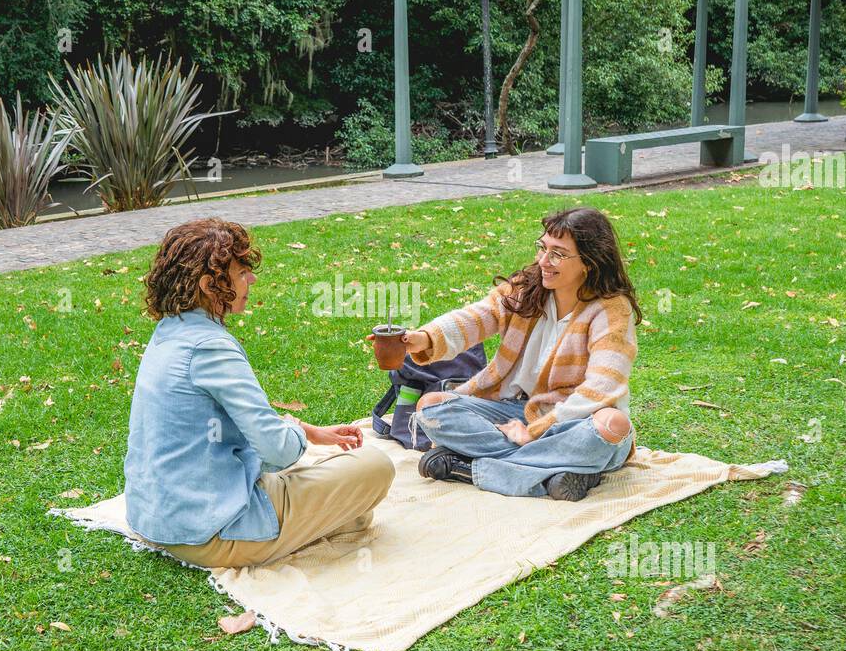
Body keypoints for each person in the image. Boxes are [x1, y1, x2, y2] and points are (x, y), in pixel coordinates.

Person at [124, 217, 394, 567]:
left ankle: (329, 516)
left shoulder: (169, 331)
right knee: (375, 466)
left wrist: (308, 432)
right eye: (240, 274)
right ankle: (322, 521)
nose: (251, 280)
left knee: (345, 501)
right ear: (209, 285)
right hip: (210, 534)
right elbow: (277, 451)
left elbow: (210, 424)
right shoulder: (211, 347)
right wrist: (295, 434)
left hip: (156, 519)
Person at [405, 207, 640, 501]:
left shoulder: (611, 309)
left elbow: (601, 387)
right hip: (513, 411)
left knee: (612, 427)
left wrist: (536, 431)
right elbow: (479, 316)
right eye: (543, 248)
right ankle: (559, 472)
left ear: (589, 263)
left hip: (574, 421)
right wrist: (425, 337)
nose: (544, 261)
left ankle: (471, 468)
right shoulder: (527, 288)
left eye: (558, 254)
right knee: (431, 407)